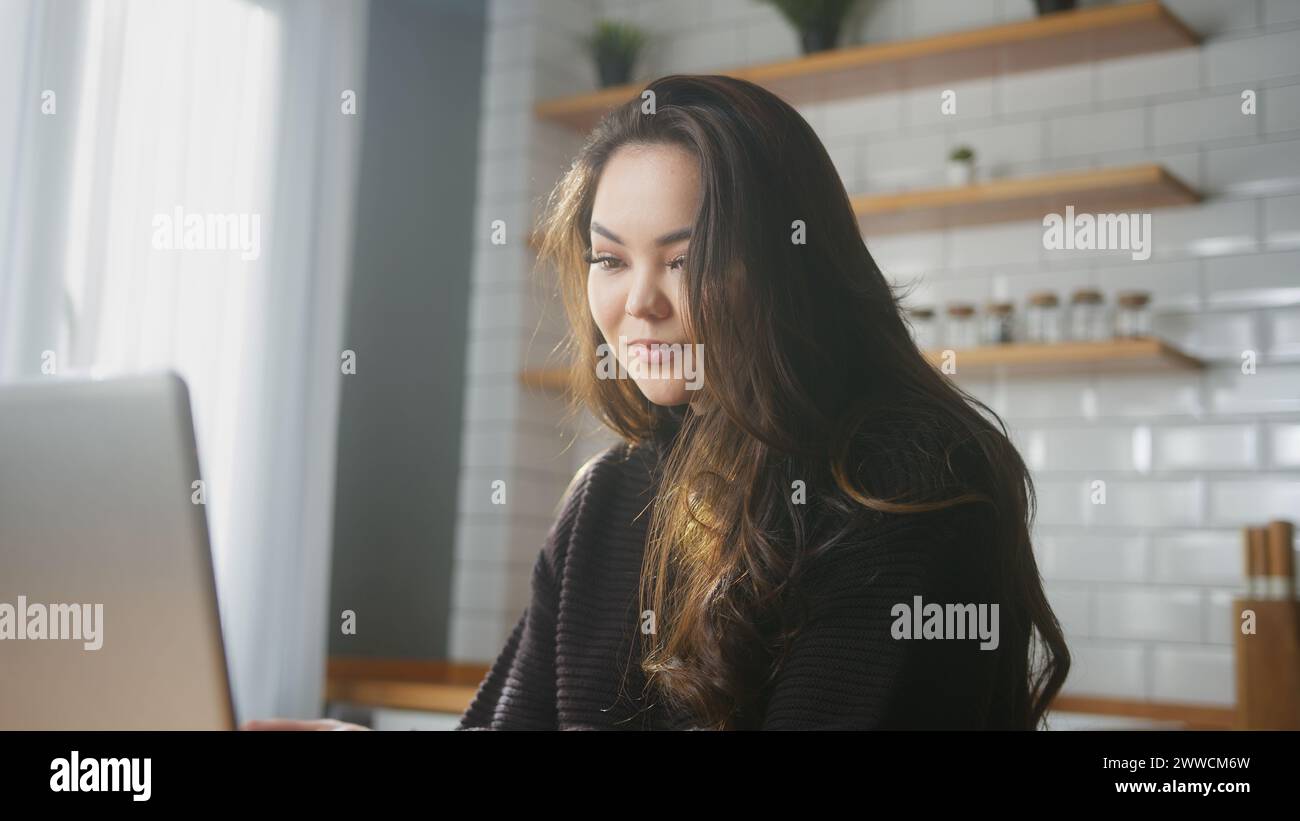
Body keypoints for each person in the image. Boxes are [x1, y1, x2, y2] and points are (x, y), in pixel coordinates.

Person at [246, 74, 1069, 732]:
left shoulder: (901, 488)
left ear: (789, 266)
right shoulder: (608, 498)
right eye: (611, 260)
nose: (638, 303)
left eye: (685, 259)